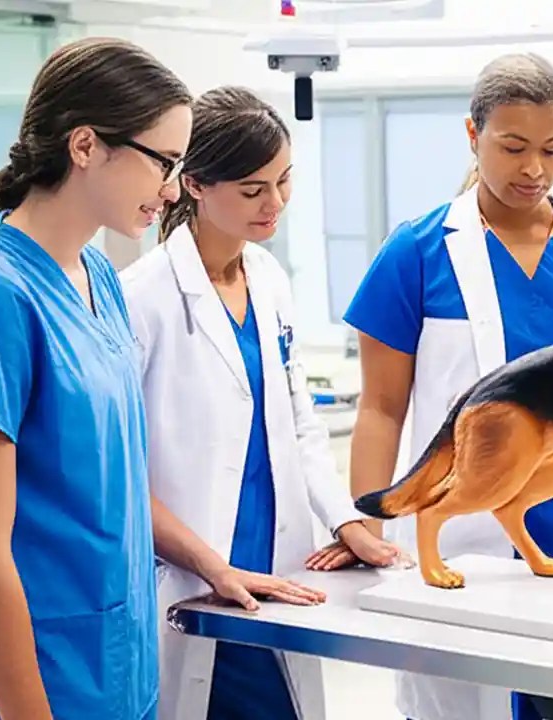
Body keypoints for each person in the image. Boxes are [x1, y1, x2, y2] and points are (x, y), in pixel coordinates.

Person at [344, 53, 553, 720]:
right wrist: (367, 527)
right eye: (513, 147)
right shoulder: (416, 251)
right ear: (472, 135)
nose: (535, 170)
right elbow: (381, 408)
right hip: (466, 547)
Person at [0, 38, 192, 720]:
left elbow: (108, 487)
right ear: (86, 145)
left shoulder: (98, 280)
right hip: (35, 691)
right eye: (164, 163)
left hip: (116, 667)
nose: (173, 191)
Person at [118, 86, 403, 720]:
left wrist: (349, 524)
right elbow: (121, 473)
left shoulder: (270, 281)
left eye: (284, 181)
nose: (274, 204)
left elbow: (298, 425)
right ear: (192, 183)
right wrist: (210, 565)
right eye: (252, 189)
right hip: (193, 576)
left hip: (277, 567)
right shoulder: (140, 299)